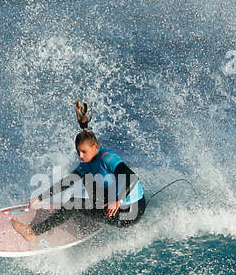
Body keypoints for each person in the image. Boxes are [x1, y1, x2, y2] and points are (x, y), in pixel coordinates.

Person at [12, 100, 146, 241]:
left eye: (84, 152)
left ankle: (33, 232)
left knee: (73, 203)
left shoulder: (107, 159)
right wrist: (39, 198)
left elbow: (132, 177)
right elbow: (67, 182)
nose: (81, 156)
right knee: (86, 181)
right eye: (78, 152)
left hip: (131, 210)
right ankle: (87, 218)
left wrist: (118, 200)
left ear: (95, 147)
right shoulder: (87, 163)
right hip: (115, 200)